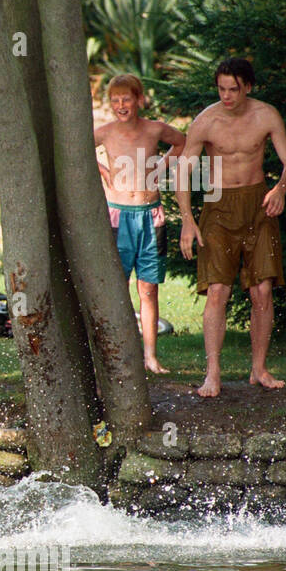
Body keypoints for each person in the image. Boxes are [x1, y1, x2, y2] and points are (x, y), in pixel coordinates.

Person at [175, 58, 286, 397]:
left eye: (234, 89)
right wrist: (187, 219)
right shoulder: (206, 121)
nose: (227, 96)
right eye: (221, 89)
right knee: (218, 291)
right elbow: (183, 171)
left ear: (248, 87)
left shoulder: (266, 115)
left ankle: (258, 368)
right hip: (218, 206)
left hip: (258, 204)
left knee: (262, 290)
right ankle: (212, 374)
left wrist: (280, 189)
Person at [93, 73, 186, 374]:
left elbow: (182, 142)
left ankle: (150, 356)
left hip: (150, 216)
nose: (121, 105)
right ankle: (117, 354)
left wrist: (162, 166)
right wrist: (102, 169)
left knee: (148, 289)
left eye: (127, 99)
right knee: (117, 287)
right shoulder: (106, 132)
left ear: (139, 99)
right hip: (118, 215)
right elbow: (75, 147)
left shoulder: (154, 129)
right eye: (115, 101)